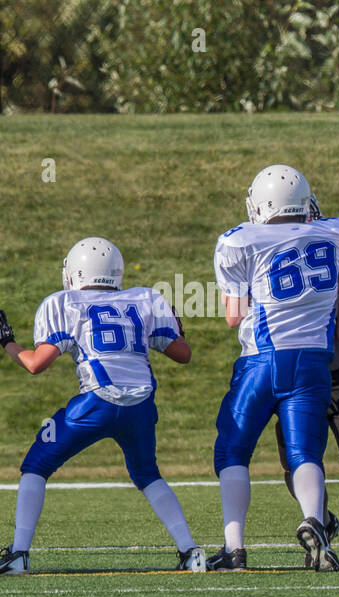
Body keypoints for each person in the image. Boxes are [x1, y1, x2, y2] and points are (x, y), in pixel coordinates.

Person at [0, 239, 204, 574]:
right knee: (147, 474)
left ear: (75, 273)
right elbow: (183, 355)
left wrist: (8, 342)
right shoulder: (144, 299)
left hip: (96, 403)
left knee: (35, 465)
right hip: (140, 403)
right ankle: (191, 551)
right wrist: (176, 329)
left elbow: (36, 364)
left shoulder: (65, 303)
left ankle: (19, 554)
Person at [209, 163, 339, 571]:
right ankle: (314, 522)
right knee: (305, 452)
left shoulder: (239, 240)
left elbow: (234, 315)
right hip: (314, 362)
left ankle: (235, 550)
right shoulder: (334, 234)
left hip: (262, 360)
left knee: (233, 450)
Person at [271, 197, 339, 561]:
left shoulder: (336, 240)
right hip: (299, 374)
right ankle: (319, 520)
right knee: (297, 459)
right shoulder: (267, 256)